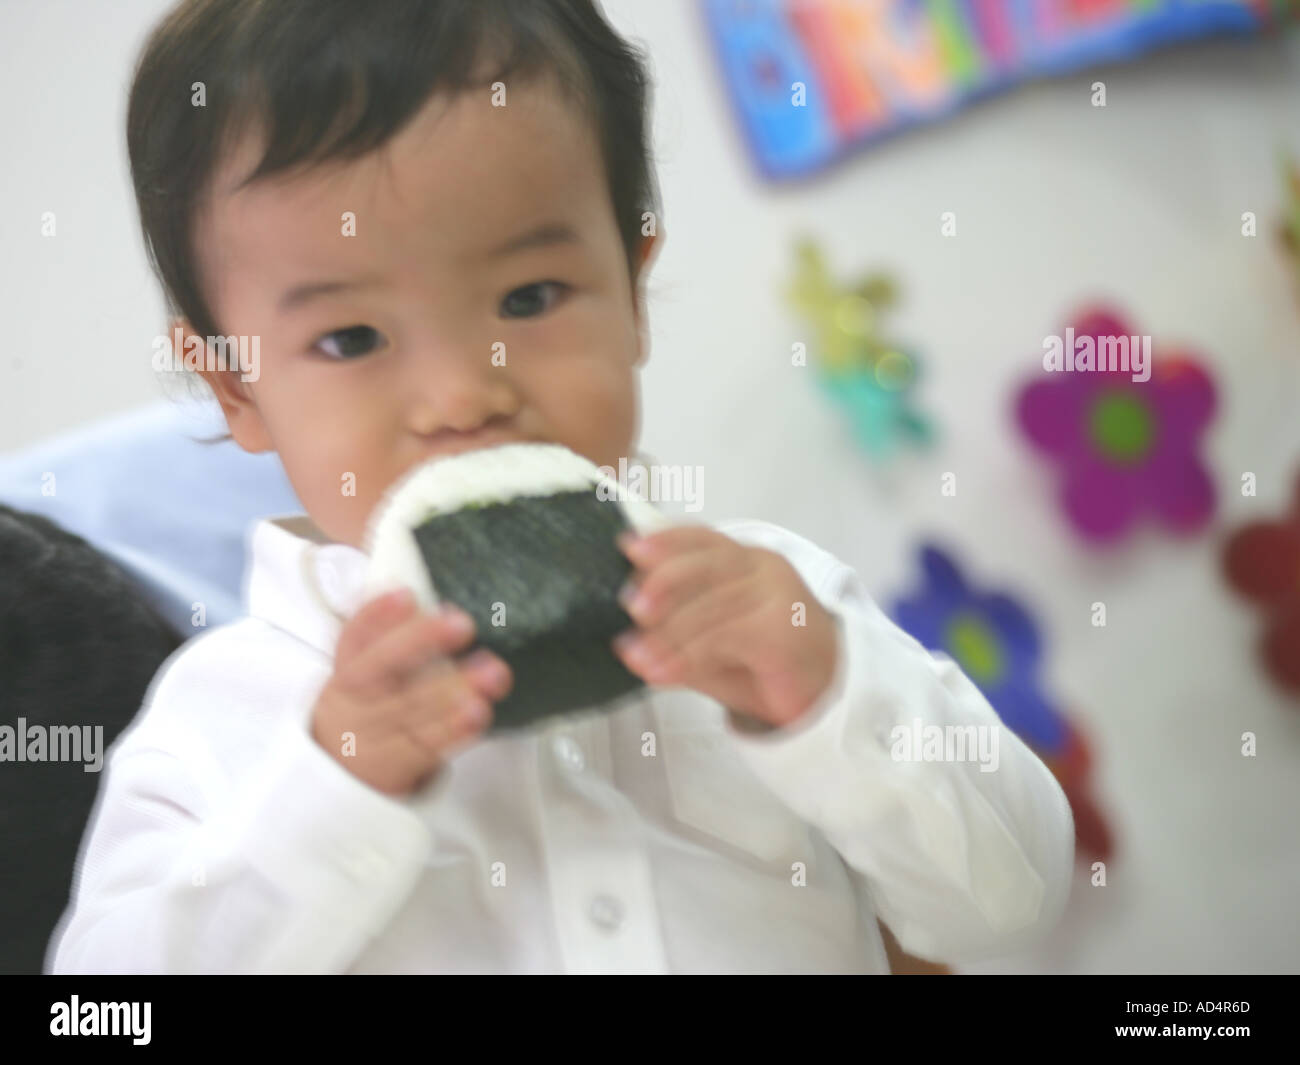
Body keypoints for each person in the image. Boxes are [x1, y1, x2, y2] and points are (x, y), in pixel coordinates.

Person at [48, 0, 1073, 974]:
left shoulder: (775, 605)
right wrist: (331, 791)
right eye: (351, 338)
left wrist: (829, 699)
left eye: (529, 297)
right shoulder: (225, 712)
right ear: (236, 382)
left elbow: (1012, 900)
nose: (461, 396)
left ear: (632, 291)